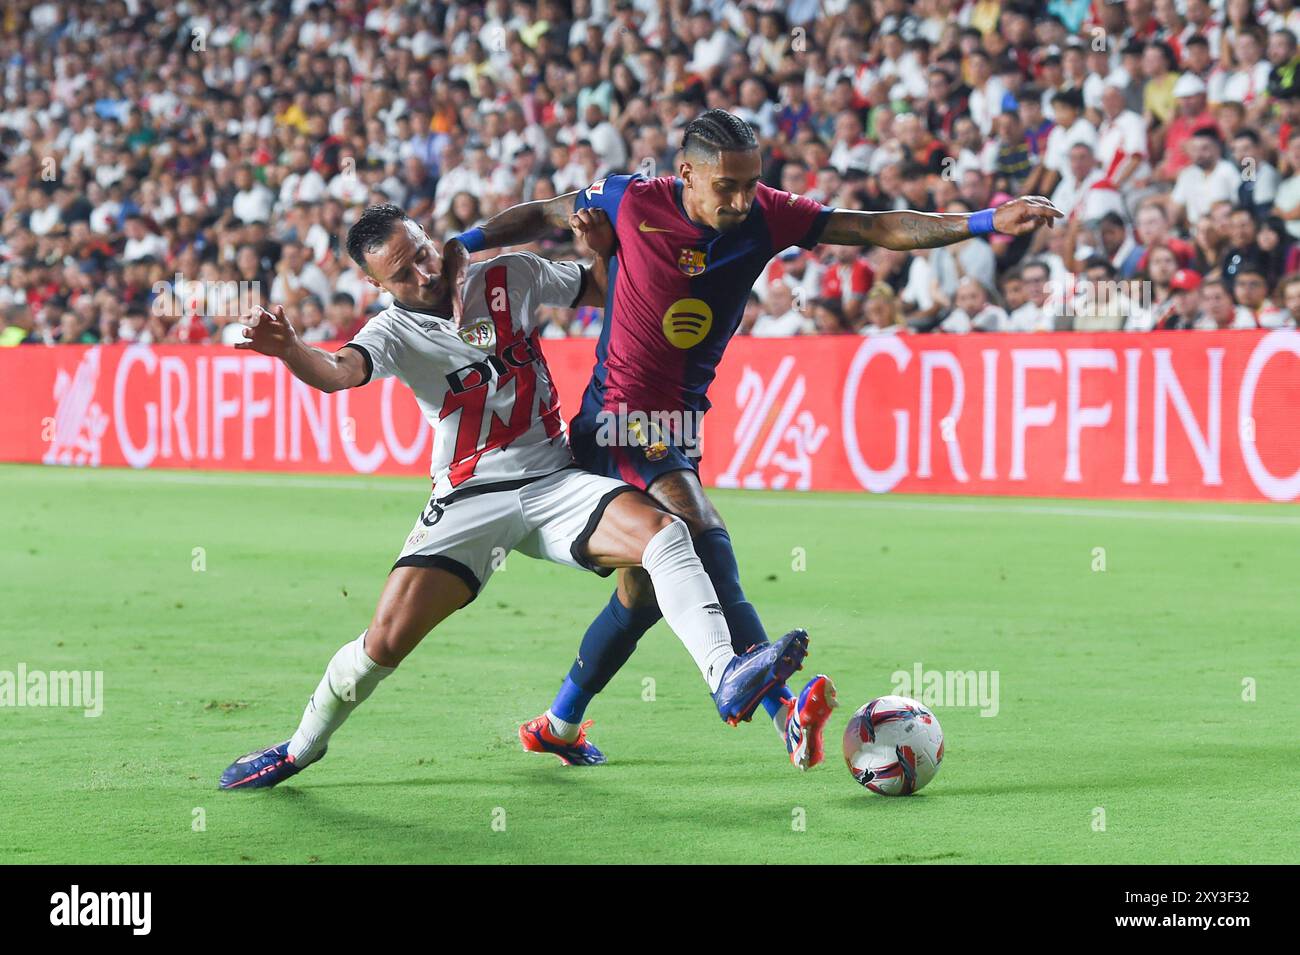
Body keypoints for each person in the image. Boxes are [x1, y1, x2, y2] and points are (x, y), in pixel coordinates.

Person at [441, 109, 1061, 769]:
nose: (740, 201)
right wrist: (466, 240)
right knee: (700, 529)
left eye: (750, 183)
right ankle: (783, 711)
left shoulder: (769, 213)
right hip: (616, 418)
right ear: (685, 174)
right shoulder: (631, 200)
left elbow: (875, 226)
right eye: (726, 187)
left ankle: (557, 724)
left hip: (679, 424)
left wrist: (987, 221)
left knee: (643, 593)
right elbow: (542, 213)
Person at [217, 203, 813, 788]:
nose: (422, 274)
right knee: (382, 647)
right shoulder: (390, 333)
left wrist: (603, 247)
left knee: (666, 534)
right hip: (471, 497)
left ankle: (726, 674)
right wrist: (290, 350)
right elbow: (337, 372)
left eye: (421, 253)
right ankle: (299, 750)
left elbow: (609, 290)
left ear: (431, 238)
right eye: (401, 272)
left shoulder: (507, 275)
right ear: (373, 284)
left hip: (555, 480)